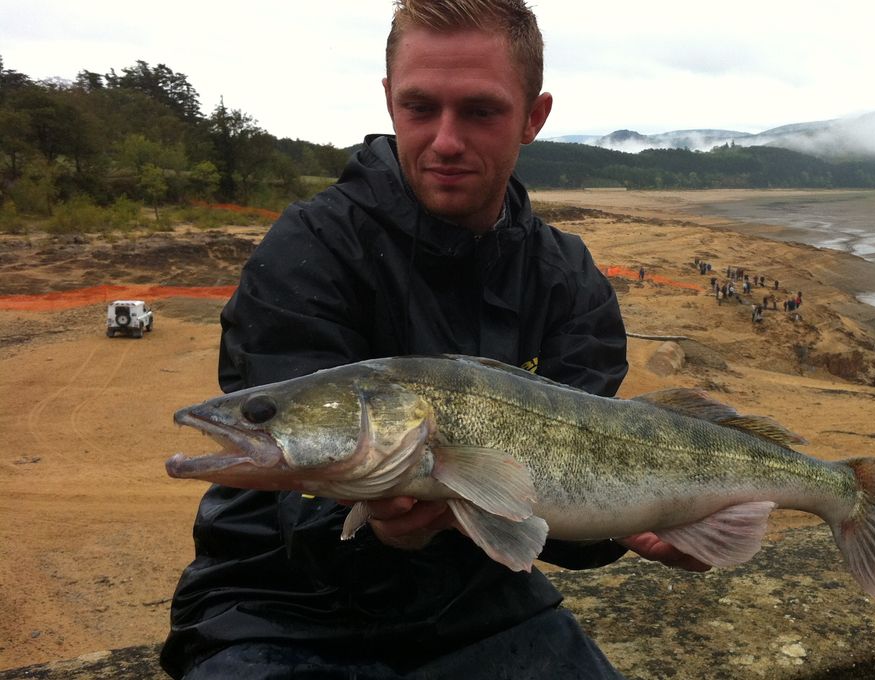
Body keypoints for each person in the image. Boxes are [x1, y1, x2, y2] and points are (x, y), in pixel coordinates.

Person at [160, 2, 706, 678]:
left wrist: (631, 523)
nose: (445, 140)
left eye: (479, 111)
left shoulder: (567, 280)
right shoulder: (308, 251)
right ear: (389, 101)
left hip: (478, 602)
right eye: (420, 108)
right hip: (277, 607)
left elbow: (559, 518)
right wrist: (377, 527)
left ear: (534, 117)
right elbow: (285, 499)